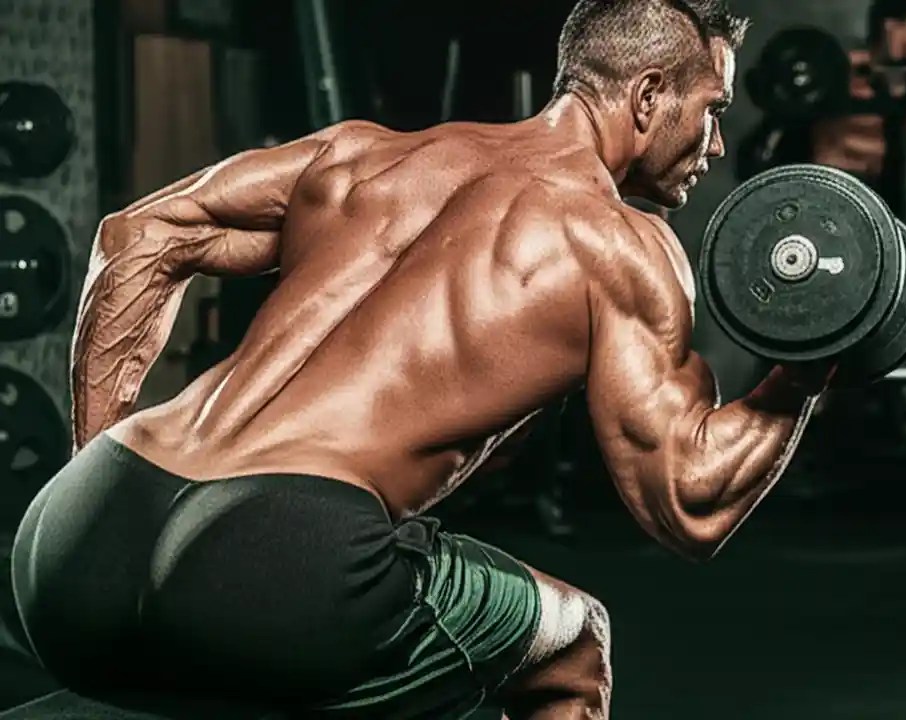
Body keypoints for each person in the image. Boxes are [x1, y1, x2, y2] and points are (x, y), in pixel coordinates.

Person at [9, 2, 836, 718]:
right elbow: (688, 502)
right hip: (285, 555)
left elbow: (139, 237)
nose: (718, 142)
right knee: (573, 647)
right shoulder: (616, 241)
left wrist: (99, 471)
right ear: (649, 96)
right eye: (711, 108)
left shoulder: (363, 156)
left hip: (77, 532)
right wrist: (811, 361)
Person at [810, 0, 906, 217]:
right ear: (890, 26)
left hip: (881, 205)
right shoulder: (840, 71)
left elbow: (903, 135)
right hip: (832, 199)